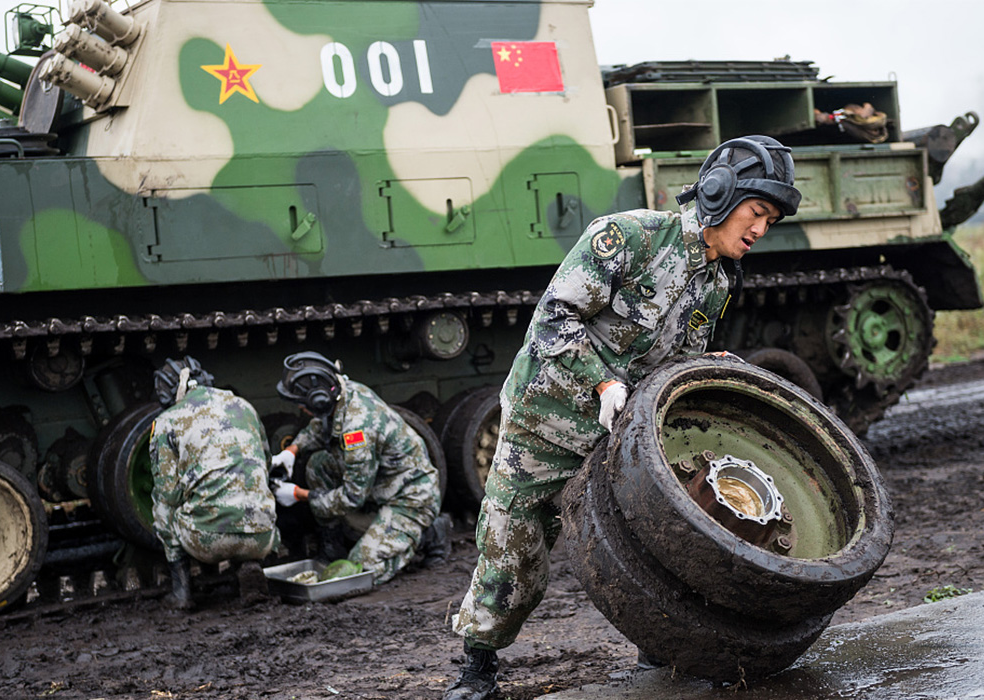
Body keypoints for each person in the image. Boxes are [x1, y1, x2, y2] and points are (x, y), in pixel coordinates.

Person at [442, 136, 803, 700]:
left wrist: (708, 365)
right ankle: (478, 666)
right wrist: (603, 380)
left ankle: (658, 652)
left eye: (771, 220)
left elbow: (674, 356)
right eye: (757, 213)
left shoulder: (716, 279)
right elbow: (554, 319)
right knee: (512, 548)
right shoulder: (629, 238)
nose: (760, 230)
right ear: (719, 194)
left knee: (657, 541)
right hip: (548, 419)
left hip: (622, 433)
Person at [270, 351, 450, 585]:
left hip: (409, 497)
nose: (302, 410)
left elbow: (352, 497)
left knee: (359, 571)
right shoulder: (343, 392)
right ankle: (333, 543)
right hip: (379, 482)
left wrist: (298, 495)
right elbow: (319, 426)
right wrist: (291, 451)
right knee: (318, 465)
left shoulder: (357, 431)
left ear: (319, 400)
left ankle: (429, 532)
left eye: (303, 405)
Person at [148, 356, 280, 610]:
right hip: (263, 536)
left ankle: (182, 593)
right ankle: (249, 561)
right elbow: (266, 462)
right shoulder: (243, 406)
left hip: (206, 541)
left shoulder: (166, 421)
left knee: (162, 506)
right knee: (251, 483)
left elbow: (167, 492)